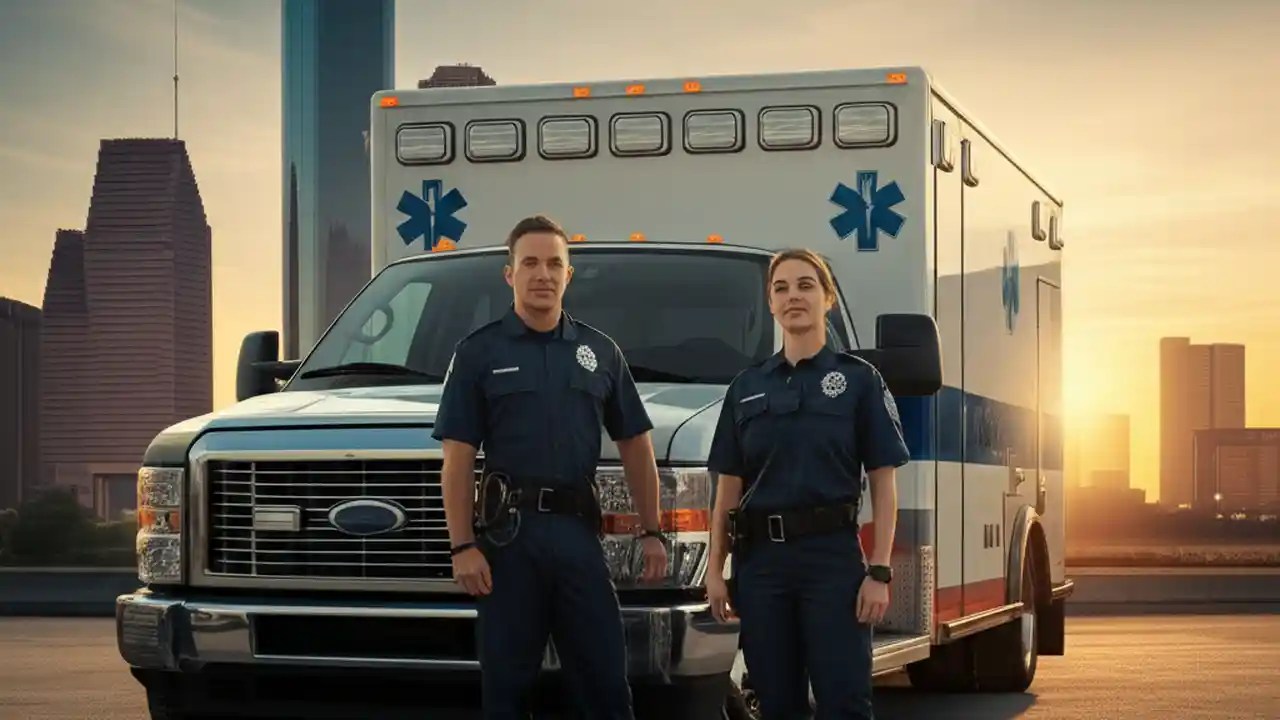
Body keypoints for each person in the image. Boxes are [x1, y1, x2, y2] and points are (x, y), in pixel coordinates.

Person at [432, 214, 670, 719]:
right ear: (509, 274)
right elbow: (457, 459)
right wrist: (463, 546)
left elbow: (635, 444)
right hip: (508, 542)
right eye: (530, 263)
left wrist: (652, 530)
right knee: (507, 690)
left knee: (606, 687)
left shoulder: (599, 352)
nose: (543, 274)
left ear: (568, 274)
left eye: (554, 264)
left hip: (578, 536)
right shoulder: (478, 353)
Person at [704, 248, 910, 719]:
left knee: (844, 702)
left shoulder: (859, 381)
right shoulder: (746, 388)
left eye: (805, 285)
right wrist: (716, 570)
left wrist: (879, 572)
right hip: (762, 568)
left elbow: (883, 484)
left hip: (831, 561)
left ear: (827, 299)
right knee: (776, 704)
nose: (792, 296)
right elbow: (727, 491)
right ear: (770, 304)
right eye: (781, 288)